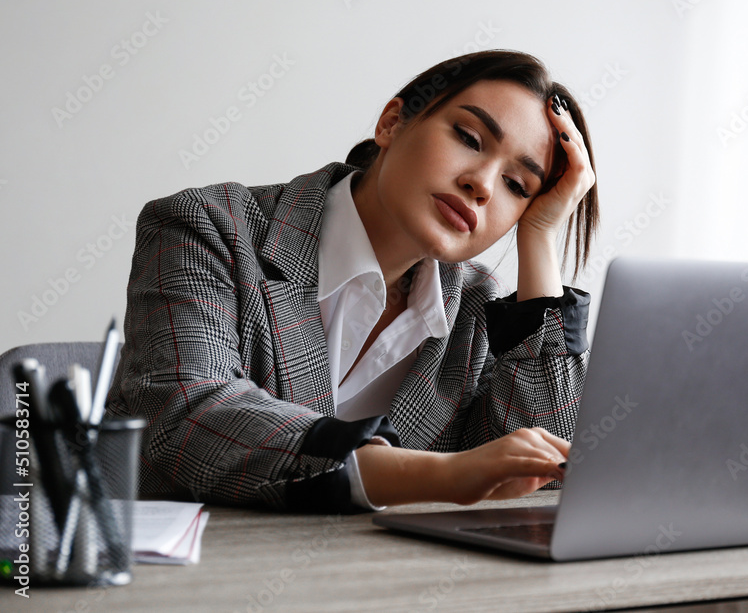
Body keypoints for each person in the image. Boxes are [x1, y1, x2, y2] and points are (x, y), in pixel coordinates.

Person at [107, 50, 599, 513]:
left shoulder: (476, 307)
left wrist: (540, 236)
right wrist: (438, 475)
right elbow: (187, 417)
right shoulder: (210, 227)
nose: (483, 185)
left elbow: (540, 480)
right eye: (469, 139)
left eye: (518, 186)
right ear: (392, 123)